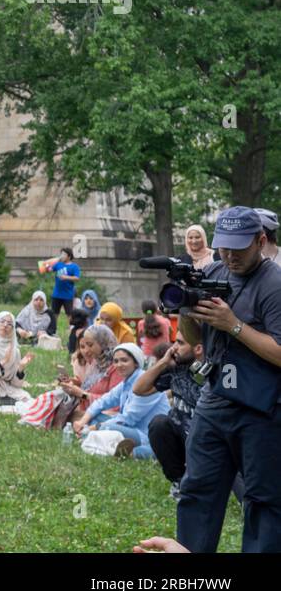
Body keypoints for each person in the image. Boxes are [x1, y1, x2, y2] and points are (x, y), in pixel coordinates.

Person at [176, 205, 281, 553]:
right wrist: (187, 311)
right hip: (216, 397)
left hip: (262, 408)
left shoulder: (275, 283)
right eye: (224, 246)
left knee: (263, 499)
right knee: (197, 489)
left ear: (260, 241)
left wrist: (233, 324)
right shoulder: (214, 272)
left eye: (239, 247)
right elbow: (194, 339)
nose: (230, 255)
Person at [133, 330, 203, 495]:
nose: (174, 348)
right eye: (175, 342)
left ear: (198, 348)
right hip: (181, 437)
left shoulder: (214, 371)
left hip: (206, 441)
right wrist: (163, 362)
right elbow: (139, 389)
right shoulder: (175, 368)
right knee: (159, 424)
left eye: (180, 343)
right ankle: (179, 482)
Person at [72, 343, 169, 459]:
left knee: (106, 427)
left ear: (136, 363)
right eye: (116, 361)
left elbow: (129, 418)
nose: (119, 365)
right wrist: (83, 422)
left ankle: (128, 451)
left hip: (145, 434)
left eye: (124, 360)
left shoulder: (146, 383)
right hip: (130, 429)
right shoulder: (126, 382)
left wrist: (96, 427)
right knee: (94, 417)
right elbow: (102, 401)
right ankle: (111, 445)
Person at [43, 246, 80, 334]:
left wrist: (66, 277)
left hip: (67, 295)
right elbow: (46, 268)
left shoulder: (74, 267)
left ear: (69, 256)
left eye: (64, 254)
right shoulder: (58, 264)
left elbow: (77, 278)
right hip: (56, 294)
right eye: (61, 254)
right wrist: (55, 260)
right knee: (54, 314)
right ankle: (53, 331)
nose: (62, 256)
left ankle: (72, 331)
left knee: (69, 314)